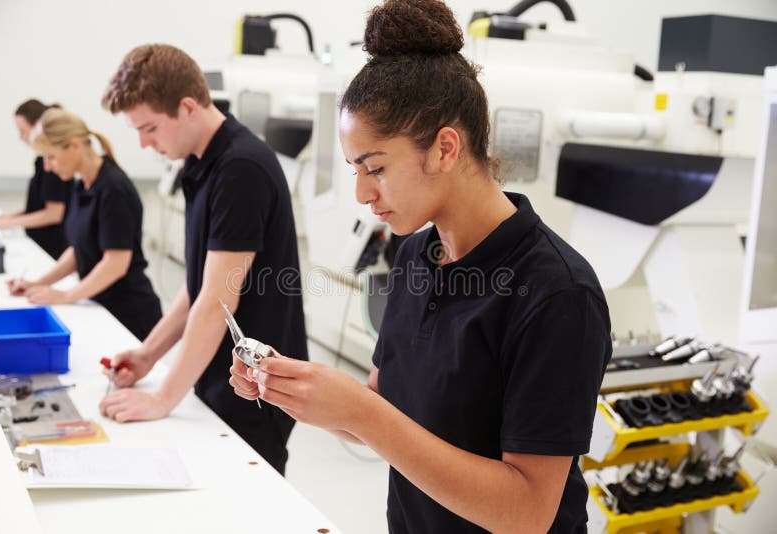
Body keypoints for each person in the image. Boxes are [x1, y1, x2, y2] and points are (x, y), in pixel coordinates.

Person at [229, 0, 612, 532]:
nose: (362, 193)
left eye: (376, 168)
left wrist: (362, 412)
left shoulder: (557, 293)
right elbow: (386, 411)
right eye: (354, 170)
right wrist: (299, 392)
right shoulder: (414, 255)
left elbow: (527, 512)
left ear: (445, 148)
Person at [98, 44, 307, 475]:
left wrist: (162, 397)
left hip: (256, 386)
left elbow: (216, 300)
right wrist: (149, 354)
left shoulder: (240, 169)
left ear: (187, 107)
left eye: (150, 127)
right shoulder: (203, 164)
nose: (144, 143)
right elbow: (198, 284)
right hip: (218, 374)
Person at [8, 108, 162, 342]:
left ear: (74, 146)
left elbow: (115, 263)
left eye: (50, 156)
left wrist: (66, 295)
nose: (48, 167)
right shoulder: (83, 186)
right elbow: (79, 248)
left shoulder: (113, 189)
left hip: (129, 313)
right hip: (100, 302)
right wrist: (37, 283)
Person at [0, 100, 73, 259]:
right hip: (41, 244)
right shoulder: (42, 161)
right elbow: (39, 206)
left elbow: (54, 213)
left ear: (37, 127)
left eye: (22, 130)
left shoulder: (54, 164)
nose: (21, 137)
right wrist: (9, 217)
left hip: (52, 250)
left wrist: (9, 223)